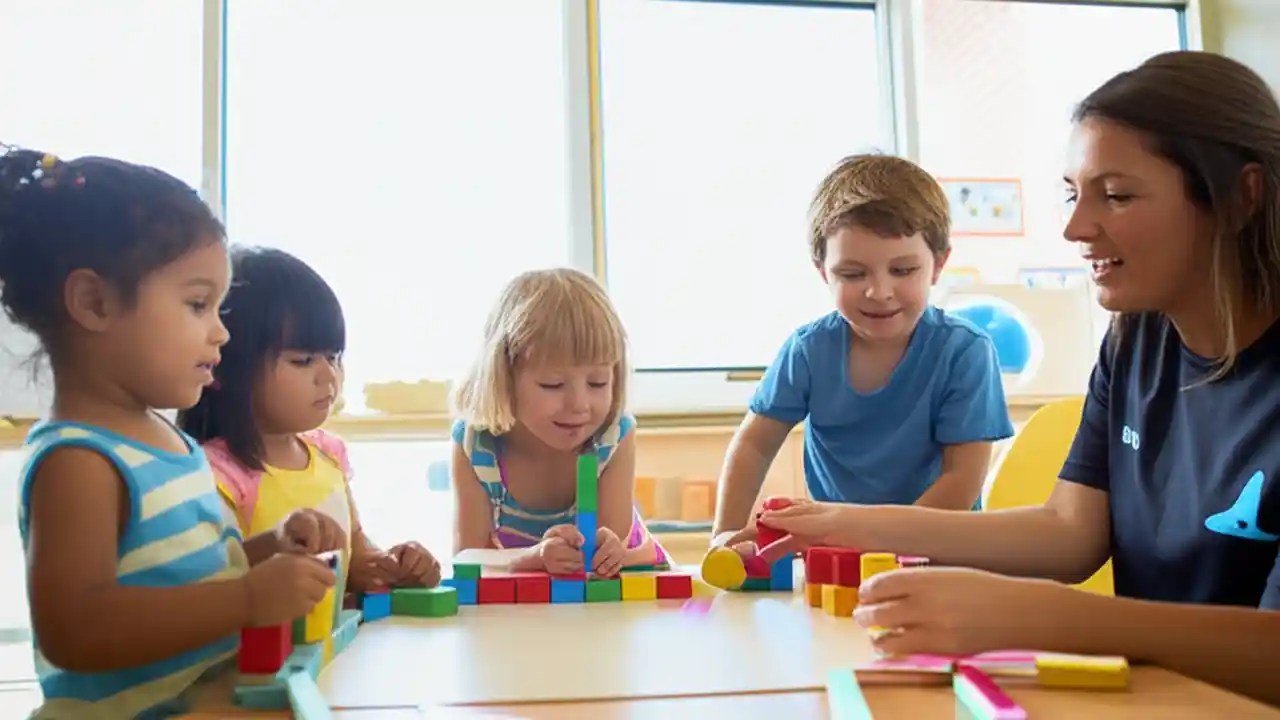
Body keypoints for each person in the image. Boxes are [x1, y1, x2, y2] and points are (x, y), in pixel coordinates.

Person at [758, 51, 1280, 708]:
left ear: (1242, 197)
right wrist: (849, 524)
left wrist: (1042, 617)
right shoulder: (1137, 338)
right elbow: (1070, 531)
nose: (1074, 227)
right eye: (1073, 193)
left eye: (1115, 195)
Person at [0, 147, 342, 718]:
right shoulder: (78, 461)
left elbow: (189, 577)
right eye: (198, 305)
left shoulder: (169, 443)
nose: (220, 335)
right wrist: (248, 598)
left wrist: (270, 549)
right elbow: (76, 630)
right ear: (94, 302)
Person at [712, 153, 1014, 553]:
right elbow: (754, 445)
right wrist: (724, 535)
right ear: (823, 271)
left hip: (939, 556)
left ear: (938, 265)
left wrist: (881, 545)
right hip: (838, 556)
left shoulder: (965, 352)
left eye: (903, 271)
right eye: (853, 274)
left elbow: (961, 482)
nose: (879, 291)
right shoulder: (809, 350)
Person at [180, 246, 441, 596]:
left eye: (333, 357)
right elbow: (214, 585)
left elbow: (357, 560)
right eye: (303, 361)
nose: (328, 375)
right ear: (223, 367)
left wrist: (399, 567)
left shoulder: (328, 454)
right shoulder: (215, 475)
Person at [451, 268, 667, 576]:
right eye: (552, 384)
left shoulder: (613, 435)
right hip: (531, 603)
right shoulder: (475, 444)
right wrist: (530, 558)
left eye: (597, 383)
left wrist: (605, 550)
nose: (579, 405)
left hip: (618, 591)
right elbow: (466, 557)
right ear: (504, 378)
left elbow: (605, 556)